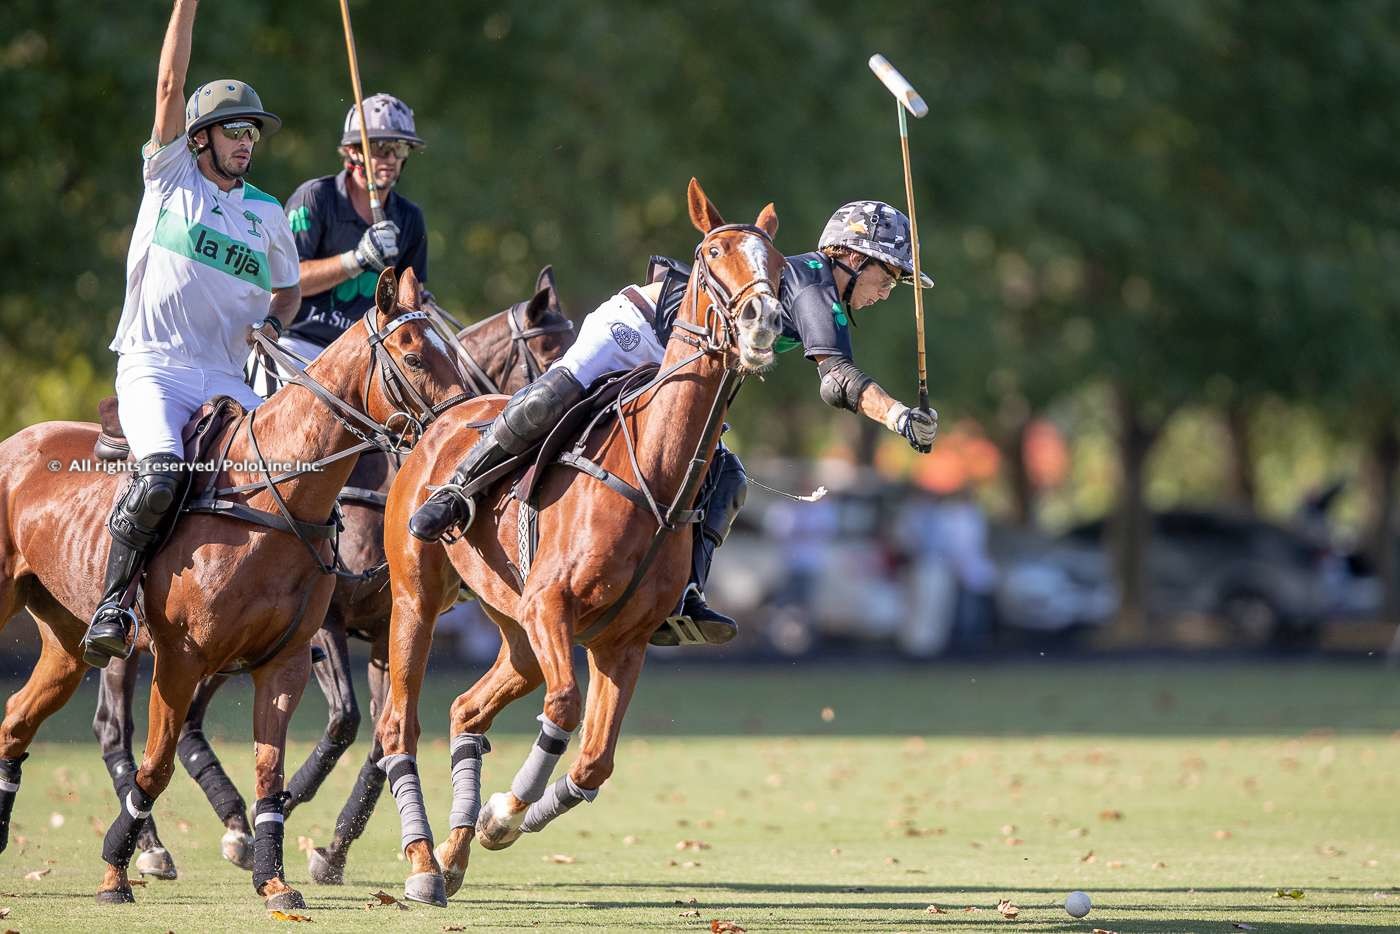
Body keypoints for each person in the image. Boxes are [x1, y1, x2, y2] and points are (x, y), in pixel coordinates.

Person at [408, 200, 938, 646]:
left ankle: (682, 595)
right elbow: (838, 382)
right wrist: (900, 417)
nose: (889, 290)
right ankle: (456, 490)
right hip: (640, 330)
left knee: (725, 478)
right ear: (849, 255)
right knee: (554, 395)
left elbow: (831, 376)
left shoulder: (829, 301)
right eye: (887, 273)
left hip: (689, 373)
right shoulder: (816, 284)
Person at [82, 0, 300, 668]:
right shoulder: (169, 174)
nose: (246, 141)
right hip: (155, 369)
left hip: (228, 376)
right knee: (164, 475)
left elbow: (287, 287)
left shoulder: (267, 211)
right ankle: (113, 604)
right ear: (201, 137)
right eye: (233, 129)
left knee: (293, 476)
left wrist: (273, 321)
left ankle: (292, 606)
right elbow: (170, 83)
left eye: (253, 133)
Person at [248, 93, 427, 394]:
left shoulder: (410, 218)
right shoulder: (316, 198)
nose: (391, 158)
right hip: (294, 344)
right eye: (381, 148)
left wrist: (421, 303)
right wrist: (357, 259)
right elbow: (286, 282)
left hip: (361, 356)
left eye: (399, 148)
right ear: (352, 151)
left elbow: (412, 293)